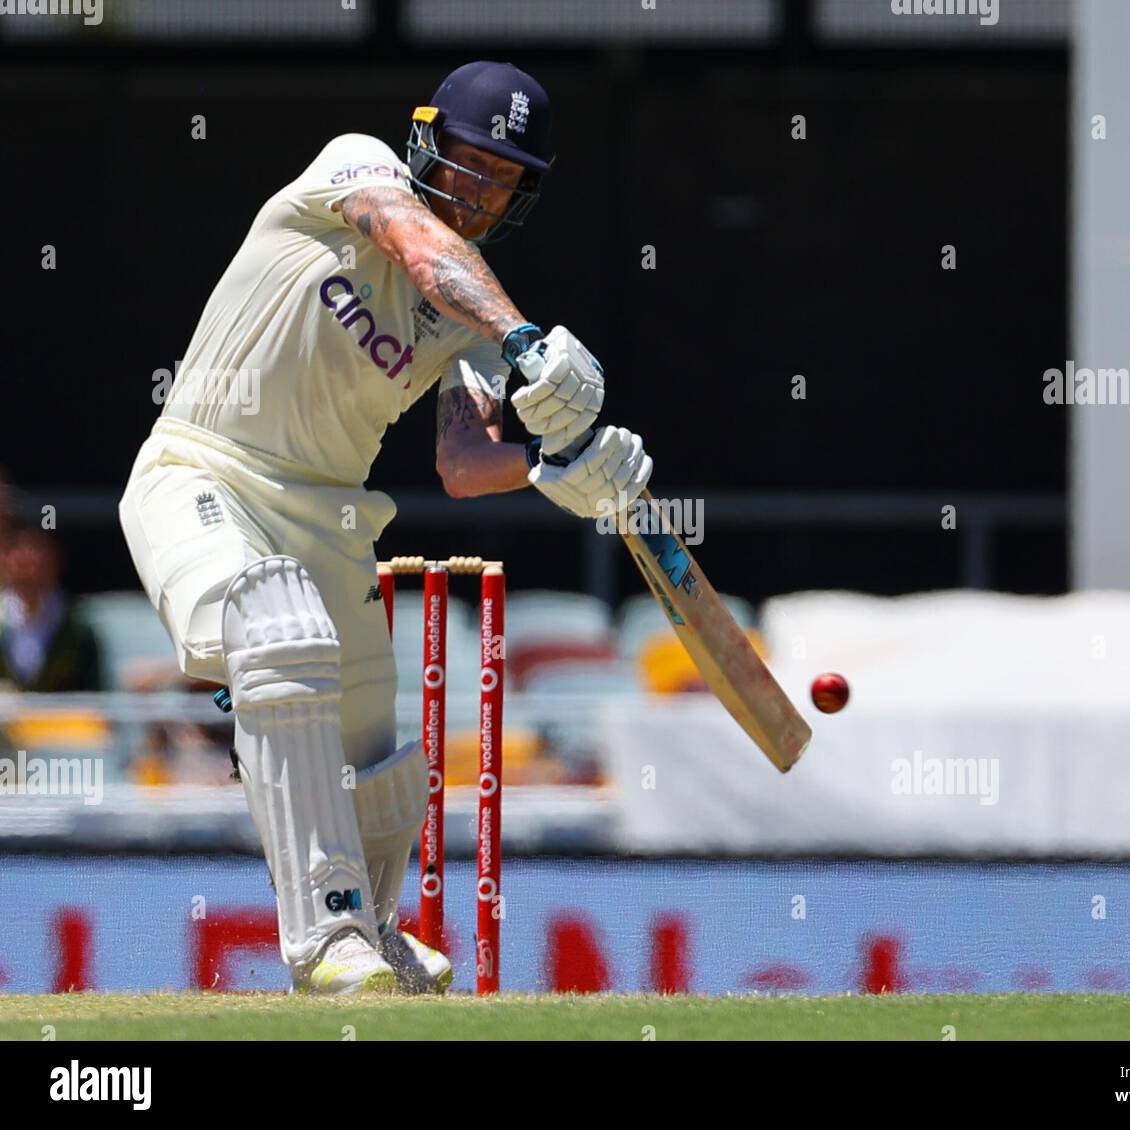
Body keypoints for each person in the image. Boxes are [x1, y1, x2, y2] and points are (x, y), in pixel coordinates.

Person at [118, 61, 652, 995]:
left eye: (506, 177)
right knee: (278, 627)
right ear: (427, 140)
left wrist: (556, 469)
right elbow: (412, 241)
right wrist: (527, 337)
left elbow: (462, 461)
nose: (481, 190)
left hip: (328, 520)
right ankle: (324, 938)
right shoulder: (357, 170)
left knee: (376, 744)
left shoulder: (468, 318)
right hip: (203, 471)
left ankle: (372, 929)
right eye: (471, 161)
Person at [0, 526, 103, 693]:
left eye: (36, 552)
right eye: (20, 565)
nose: (28, 571)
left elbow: (92, 696)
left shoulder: (78, 628)